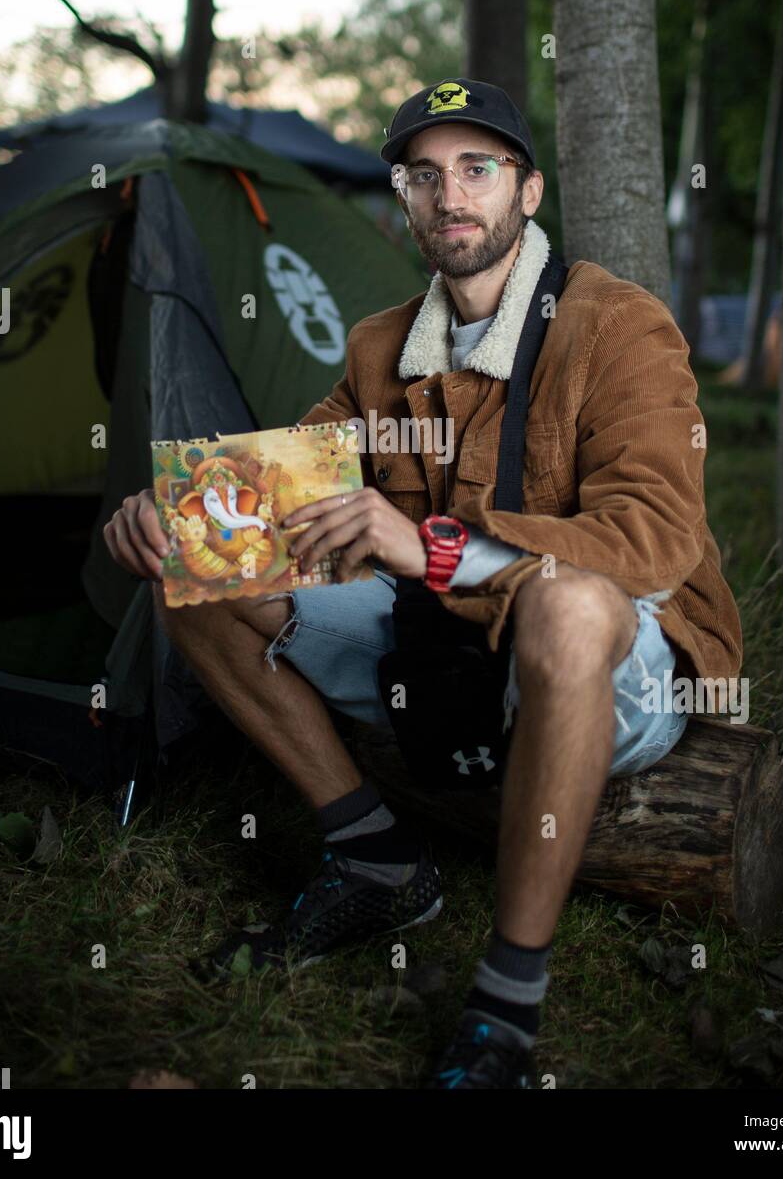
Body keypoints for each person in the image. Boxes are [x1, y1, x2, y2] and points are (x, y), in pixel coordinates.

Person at [104, 77, 743, 1090]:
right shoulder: (378, 346)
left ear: (527, 192)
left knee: (567, 604)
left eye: (477, 169)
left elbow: (655, 535)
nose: (451, 196)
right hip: (436, 641)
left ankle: (505, 1003)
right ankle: (374, 857)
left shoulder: (621, 326)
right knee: (192, 559)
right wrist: (169, 508)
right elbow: (282, 493)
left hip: (608, 660)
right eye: (424, 176)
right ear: (403, 200)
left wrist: (434, 548)